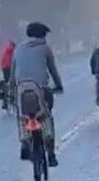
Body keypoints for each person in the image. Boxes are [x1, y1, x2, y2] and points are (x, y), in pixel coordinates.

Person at [10, 22, 65, 167]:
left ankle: (24, 142)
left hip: (21, 89)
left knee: (22, 117)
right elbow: (53, 71)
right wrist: (59, 86)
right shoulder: (45, 48)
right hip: (41, 90)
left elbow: (12, 75)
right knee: (45, 117)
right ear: (42, 35)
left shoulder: (18, 49)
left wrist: (11, 91)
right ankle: (51, 153)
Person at [0, 39, 16, 109]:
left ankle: (5, 101)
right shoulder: (12, 50)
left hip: (4, 67)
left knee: (7, 82)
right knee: (12, 82)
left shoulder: (6, 49)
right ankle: (10, 99)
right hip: (8, 67)